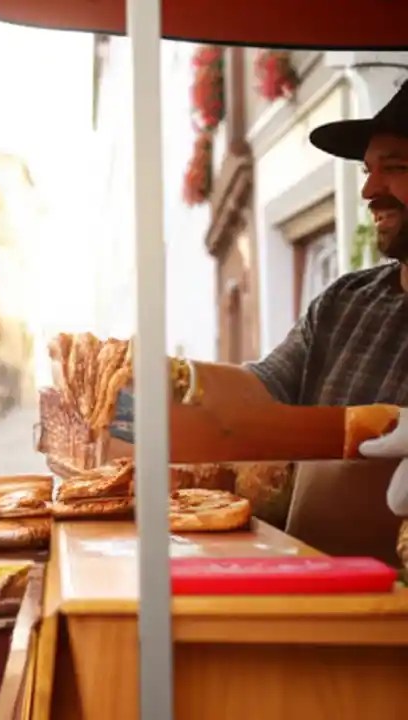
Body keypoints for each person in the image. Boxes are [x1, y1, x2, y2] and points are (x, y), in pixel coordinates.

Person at [196, 80, 408, 563]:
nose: (371, 190)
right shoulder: (343, 304)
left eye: (395, 168)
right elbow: (258, 393)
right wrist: (149, 390)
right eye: (368, 170)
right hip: (310, 589)